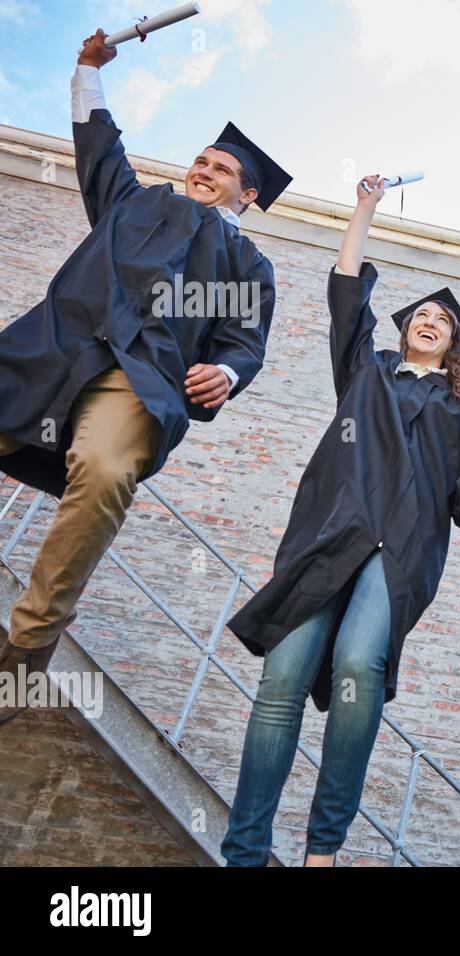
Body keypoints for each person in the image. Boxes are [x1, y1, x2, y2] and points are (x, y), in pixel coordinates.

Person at [220, 175, 460, 866]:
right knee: (281, 682)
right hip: (330, 535)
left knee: (360, 663)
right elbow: (347, 287)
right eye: (422, 313)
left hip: (399, 551)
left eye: (442, 323)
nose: (429, 320)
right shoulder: (365, 369)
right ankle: (244, 850)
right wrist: (365, 206)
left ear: (453, 349)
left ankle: (322, 849)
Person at [0, 29, 289, 723]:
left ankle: (26, 645)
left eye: (220, 168)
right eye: (199, 159)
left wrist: (223, 371)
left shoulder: (247, 265)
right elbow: (98, 142)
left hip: (138, 380)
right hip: (55, 349)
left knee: (102, 472)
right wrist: (86, 69)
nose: (203, 169)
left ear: (246, 194)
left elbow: (244, 343)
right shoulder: (132, 203)